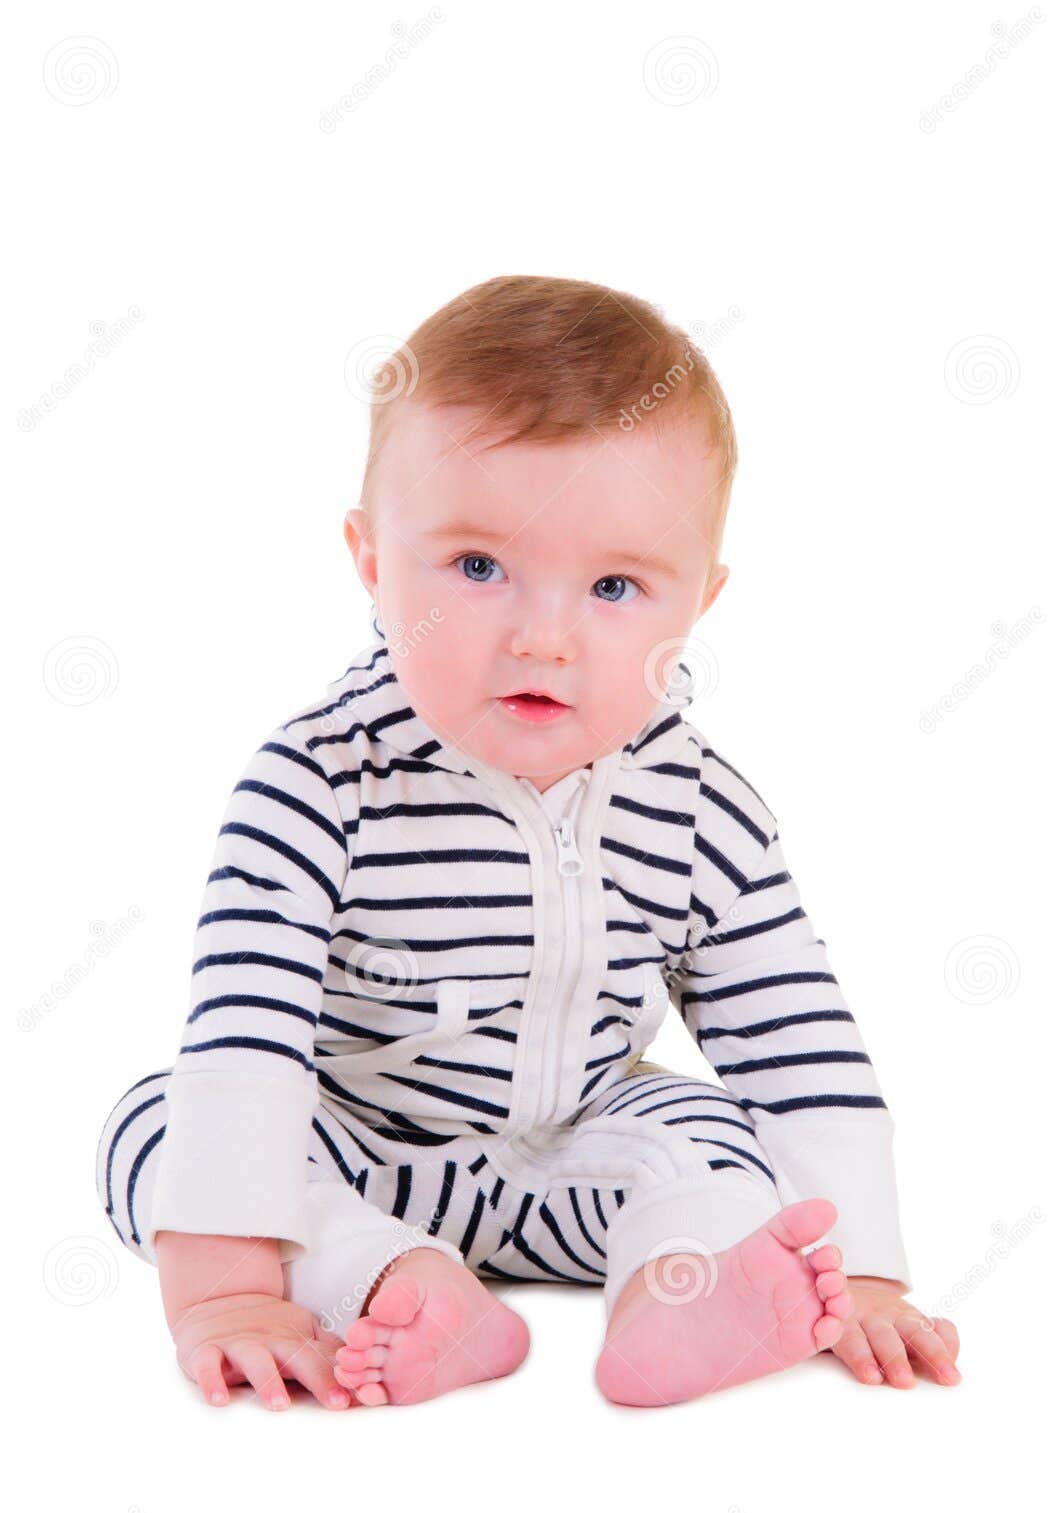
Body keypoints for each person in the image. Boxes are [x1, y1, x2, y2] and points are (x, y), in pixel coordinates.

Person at [95, 275, 961, 1411]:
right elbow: (247, 1033)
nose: (542, 638)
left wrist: (867, 1277)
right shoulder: (319, 781)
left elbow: (796, 1044)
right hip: (361, 1150)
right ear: (370, 558)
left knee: (712, 1133)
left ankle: (676, 1297)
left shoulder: (701, 804)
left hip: (584, 1167)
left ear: (698, 599)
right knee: (159, 1122)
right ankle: (394, 1282)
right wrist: (228, 1292)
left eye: (612, 586)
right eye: (476, 569)